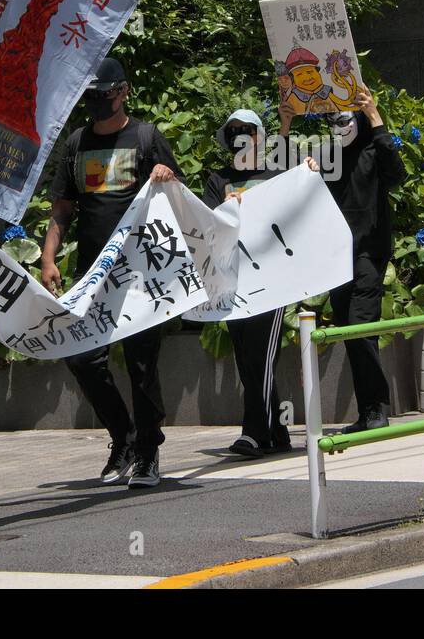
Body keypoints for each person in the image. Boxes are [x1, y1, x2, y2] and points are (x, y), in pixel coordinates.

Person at [40, 57, 180, 488]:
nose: (98, 103)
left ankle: (148, 453)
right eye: (91, 97)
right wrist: (48, 258)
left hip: (140, 274)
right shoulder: (77, 143)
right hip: (93, 274)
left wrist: (165, 176)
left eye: (105, 95)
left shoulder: (145, 137)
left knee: (141, 365)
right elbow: (63, 207)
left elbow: (178, 200)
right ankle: (124, 437)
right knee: (81, 355)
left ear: (123, 93)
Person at [283, 86, 406, 433]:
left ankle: (377, 406)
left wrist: (375, 117)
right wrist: (305, 162)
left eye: (344, 118)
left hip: (369, 250)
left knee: (361, 325)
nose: (338, 125)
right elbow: (284, 175)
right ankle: (367, 409)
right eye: (332, 120)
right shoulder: (327, 155)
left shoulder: (373, 148)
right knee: (347, 329)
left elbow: (396, 174)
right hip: (336, 254)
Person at [201, 110, 293, 457]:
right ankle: (276, 432)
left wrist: (311, 171)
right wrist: (224, 209)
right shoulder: (217, 179)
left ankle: (252, 432)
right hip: (233, 279)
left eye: (248, 130)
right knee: (246, 357)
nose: (241, 136)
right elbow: (207, 224)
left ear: (260, 135)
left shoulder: (276, 172)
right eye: (234, 131)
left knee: (262, 355)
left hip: (271, 278)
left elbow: (297, 201)